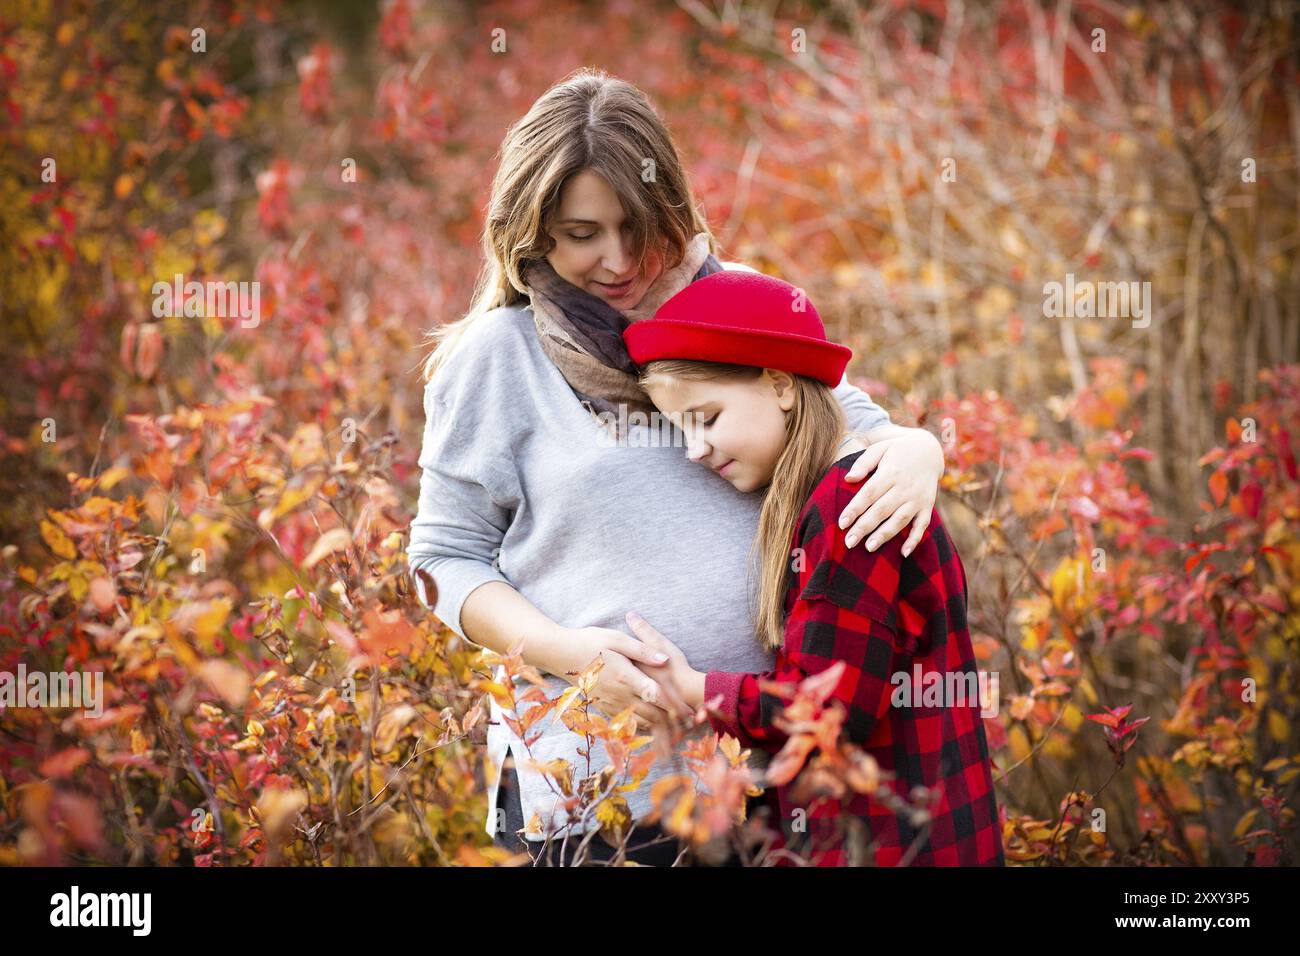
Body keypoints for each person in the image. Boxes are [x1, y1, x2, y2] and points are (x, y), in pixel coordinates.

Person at [408, 67, 947, 863]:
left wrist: (921, 447)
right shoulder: (497, 358)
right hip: (590, 791)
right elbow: (444, 560)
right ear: (533, 233)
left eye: (636, 225)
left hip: (770, 780)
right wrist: (568, 651)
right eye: (582, 234)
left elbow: (851, 429)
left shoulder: (744, 309)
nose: (620, 260)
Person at [621, 269, 1005, 866]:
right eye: (681, 431)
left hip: (893, 844)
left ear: (778, 384)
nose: (694, 450)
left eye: (708, 417)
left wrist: (692, 688)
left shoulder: (849, 502)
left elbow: (828, 707)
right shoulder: (831, 493)